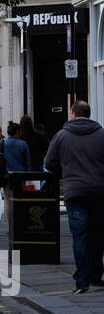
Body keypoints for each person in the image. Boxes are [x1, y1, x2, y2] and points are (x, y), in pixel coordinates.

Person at [44, 99, 104, 295]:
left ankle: (82, 281)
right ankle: (96, 274)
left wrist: (65, 169)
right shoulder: (101, 134)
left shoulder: (61, 136)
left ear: (74, 114)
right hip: (99, 191)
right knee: (97, 235)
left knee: (80, 235)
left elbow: (50, 163)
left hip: (75, 192)